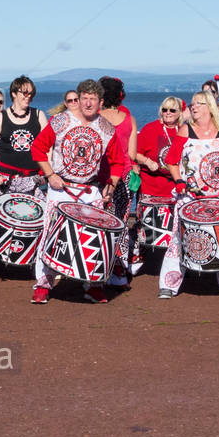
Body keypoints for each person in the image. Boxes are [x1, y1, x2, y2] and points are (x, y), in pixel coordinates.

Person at [29, 79, 124, 304]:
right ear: (78, 99)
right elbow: (38, 148)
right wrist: (50, 174)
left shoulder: (107, 129)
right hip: (61, 187)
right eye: (84, 98)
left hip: (91, 190)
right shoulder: (60, 121)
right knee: (51, 235)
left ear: (100, 102)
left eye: (93, 99)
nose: (88, 103)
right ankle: (43, 284)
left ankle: (93, 285)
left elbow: (118, 162)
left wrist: (111, 186)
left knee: (96, 238)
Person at [156, 88, 219, 299]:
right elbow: (172, 160)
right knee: (178, 238)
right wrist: (179, 181)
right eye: (192, 104)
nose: (193, 107)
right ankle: (169, 284)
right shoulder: (184, 130)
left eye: (198, 103)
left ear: (210, 107)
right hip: (191, 195)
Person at [0, 76, 47, 277]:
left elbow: (46, 149)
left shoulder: (39, 115)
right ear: (14, 93)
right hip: (3, 181)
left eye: (31, 93)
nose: (28, 97)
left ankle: (43, 268)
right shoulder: (1, 118)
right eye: (24, 92)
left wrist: (44, 174)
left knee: (49, 221)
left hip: (32, 181)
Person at [130, 96, 188, 275]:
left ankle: (177, 257)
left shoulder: (184, 131)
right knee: (146, 224)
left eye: (173, 110)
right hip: (151, 184)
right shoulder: (150, 129)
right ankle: (139, 254)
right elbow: (134, 154)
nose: (168, 113)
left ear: (180, 113)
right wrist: (147, 161)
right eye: (165, 110)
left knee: (177, 225)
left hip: (174, 185)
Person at [98, 76, 139, 288]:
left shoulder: (96, 118)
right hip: (123, 176)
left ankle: (97, 269)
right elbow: (131, 154)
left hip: (101, 177)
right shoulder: (128, 120)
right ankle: (120, 270)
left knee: (100, 224)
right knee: (121, 224)